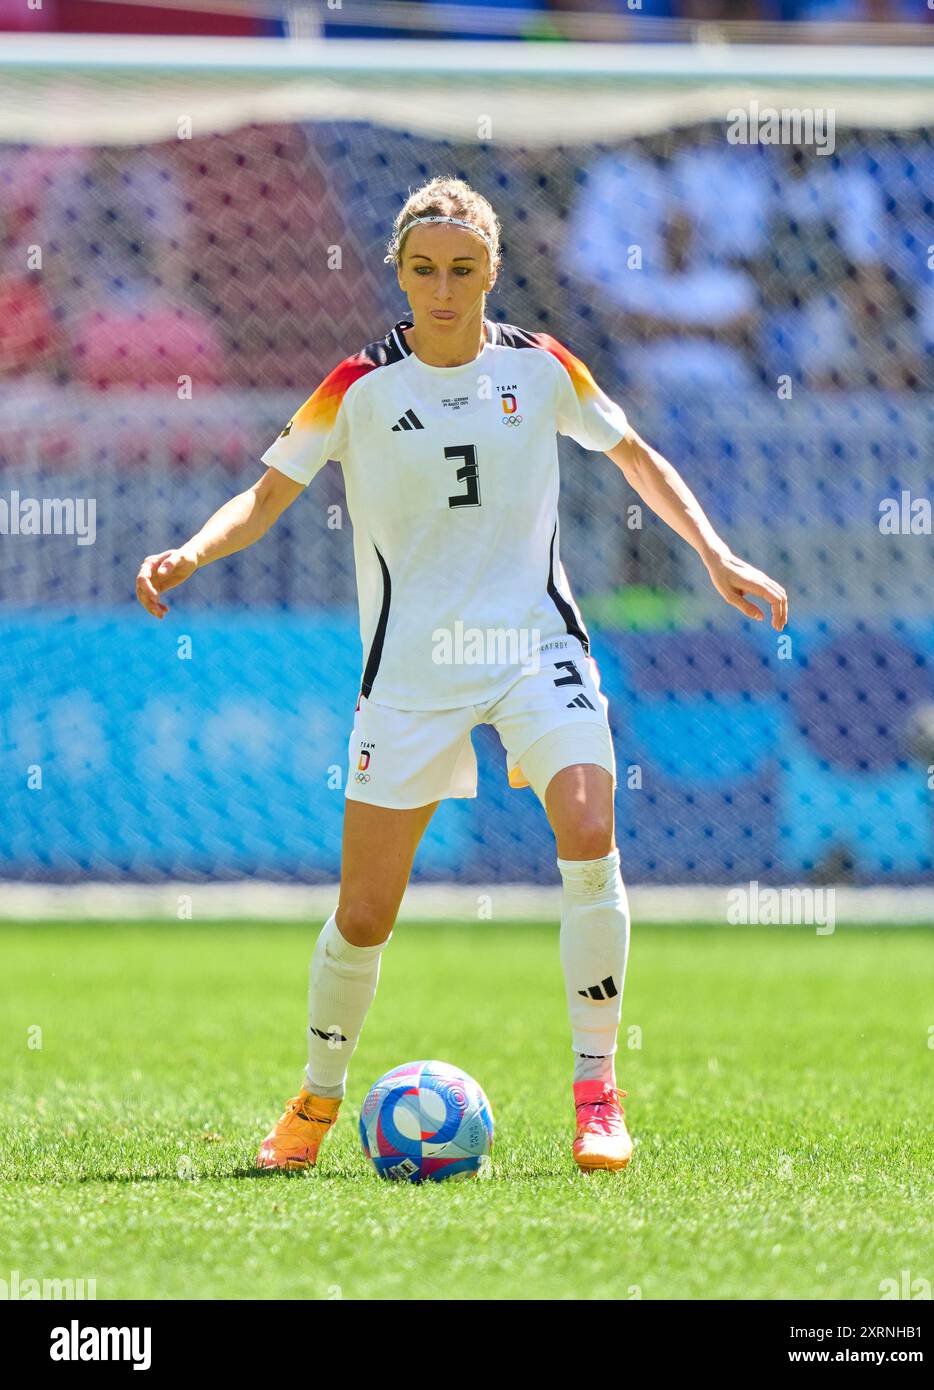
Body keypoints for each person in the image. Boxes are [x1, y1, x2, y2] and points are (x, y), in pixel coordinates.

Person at [135, 177, 787, 1174]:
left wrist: (716, 553)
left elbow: (636, 455)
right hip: (411, 673)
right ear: (399, 270)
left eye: (464, 270)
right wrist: (189, 550)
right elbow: (264, 497)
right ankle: (313, 1102)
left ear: (493, 270)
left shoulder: (541, 366)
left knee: (587, 824)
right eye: (424, 270)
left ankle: (597, 1092)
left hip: (535, 648)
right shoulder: (356, 387)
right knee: (364, 913)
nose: (443, 289)